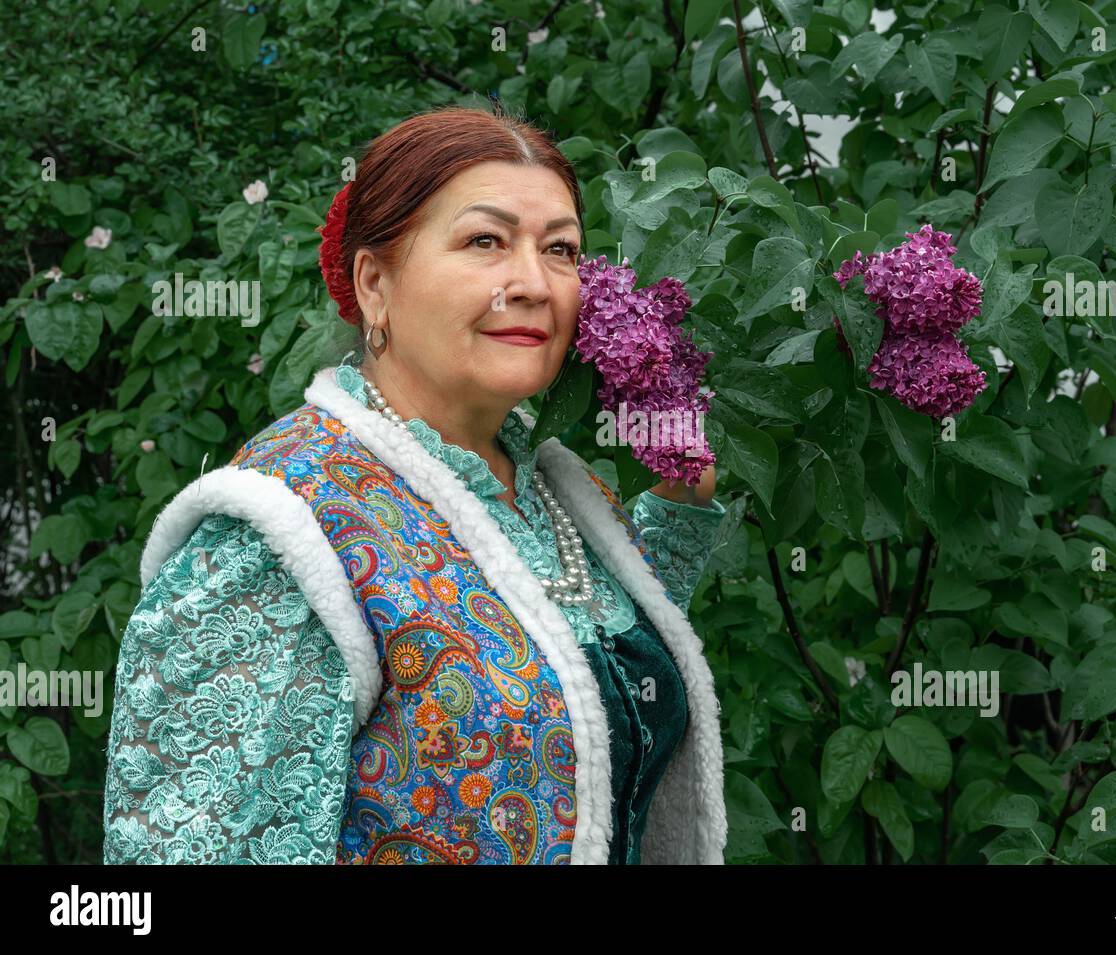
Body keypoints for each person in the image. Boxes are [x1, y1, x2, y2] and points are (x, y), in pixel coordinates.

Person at [102, 106, 728, 865]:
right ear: (375, 283)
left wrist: (679, 512)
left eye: (560, 249)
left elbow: (584, 688)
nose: (532, 282)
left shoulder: (555, 491)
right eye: (485, 241)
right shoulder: (278, 529)